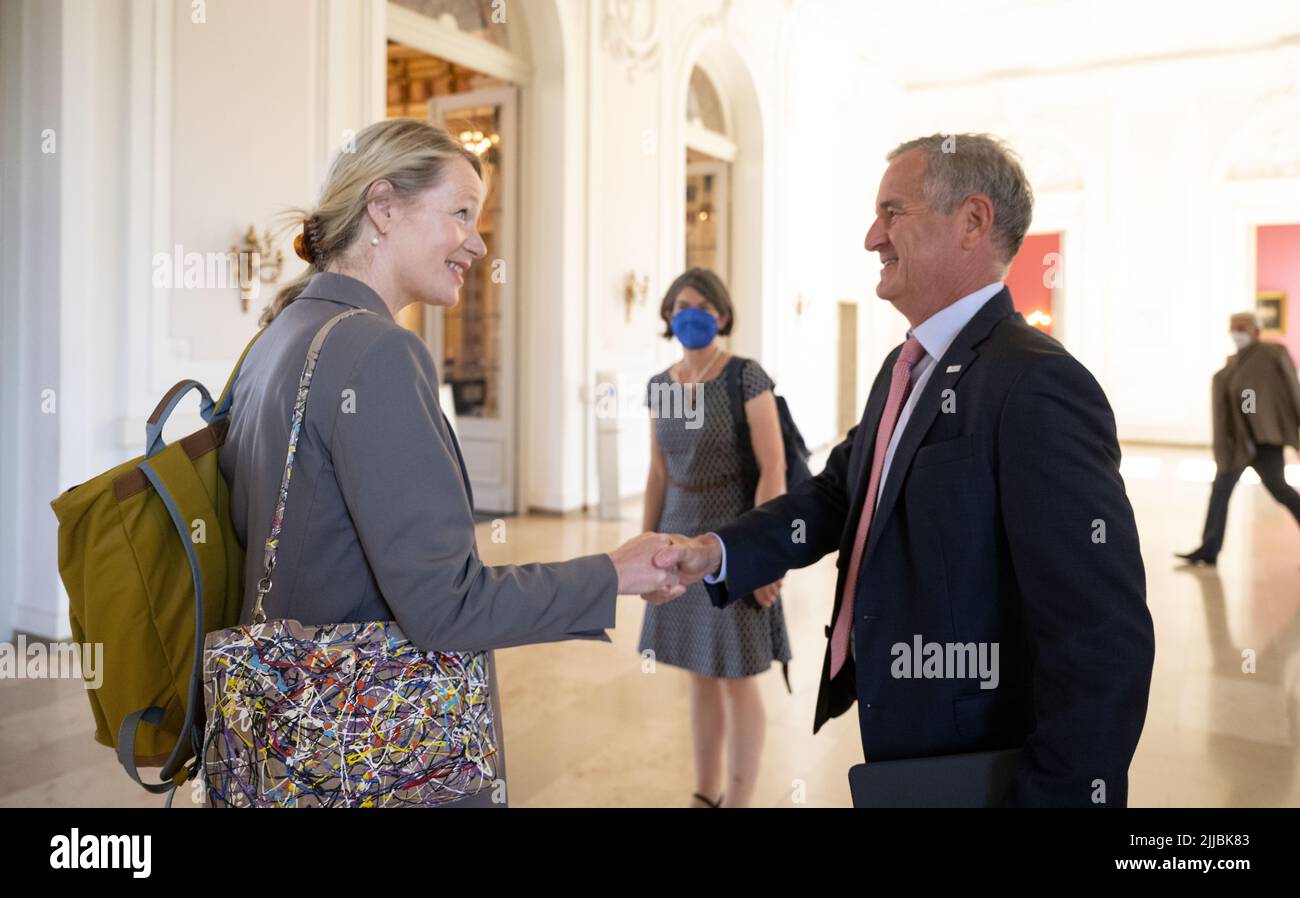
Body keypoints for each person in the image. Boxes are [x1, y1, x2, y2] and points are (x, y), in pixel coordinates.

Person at [651, 133, 1155, 807]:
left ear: (972, 222)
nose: (871, 237)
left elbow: (1101, 638)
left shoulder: (1037, 383)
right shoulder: (905, 365)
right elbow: (838, 493)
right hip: (902, 733)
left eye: (892, 212)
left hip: (975, 755)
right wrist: (716, 551)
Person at [218, 119, 682, 808]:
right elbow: (446, 606)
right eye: (461, 211)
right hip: (371, 749)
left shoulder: (280, 334)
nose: (479, 239)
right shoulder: (376, 352)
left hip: (288, 737)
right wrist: (613, 572)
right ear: (383, 207)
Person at [639, 268, 792, 808]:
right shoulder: (661, 386)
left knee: (737, 675)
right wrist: (644, 550)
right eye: (681, 303)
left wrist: (763, 557)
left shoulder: (745, 377)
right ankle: (706, 795)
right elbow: (658, 472)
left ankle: (741, 799)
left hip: (733, 535)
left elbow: (774, 469)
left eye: (703, 304)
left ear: (723, 315)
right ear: (667, 314)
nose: (691, 312)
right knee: (699, 675)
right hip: (678, 535)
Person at [1177, 312, 1300, 566]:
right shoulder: (1233, 362)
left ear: (1256, 330)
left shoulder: (1273, 353)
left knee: (1281, 492)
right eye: (1233, 328)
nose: (1236, 333)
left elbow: (1292, 388)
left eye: (1241, 327)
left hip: (1265, 441)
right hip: (1238, 443)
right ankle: (1209, 549)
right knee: (1220, 490)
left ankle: (1209, 548)